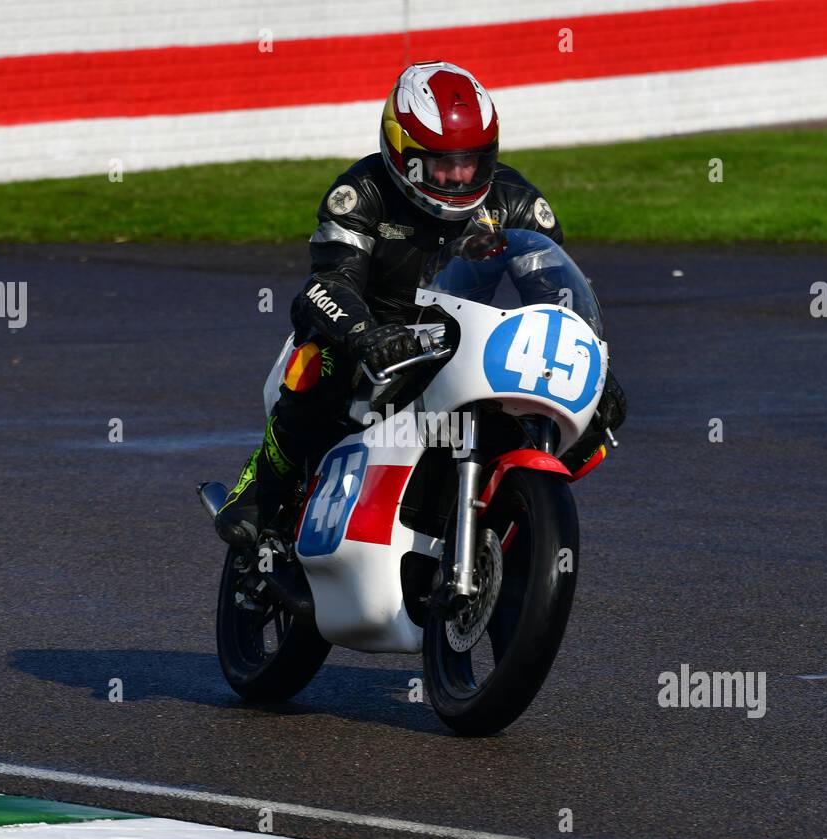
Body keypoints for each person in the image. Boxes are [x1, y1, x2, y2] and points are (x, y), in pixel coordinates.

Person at [214, 60, 625, 548]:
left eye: (470, 160)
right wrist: (365, 335)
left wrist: (594, 368)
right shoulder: (362, 194)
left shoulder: (516, 202)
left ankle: (505, 521)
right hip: (369, 339)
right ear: (401, 151)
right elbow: (327, 284)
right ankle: (261, 487)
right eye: (440, 163)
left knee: (591, 420)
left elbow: (557, 297)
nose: (457, 176)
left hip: (464, 343)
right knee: (316, 363)